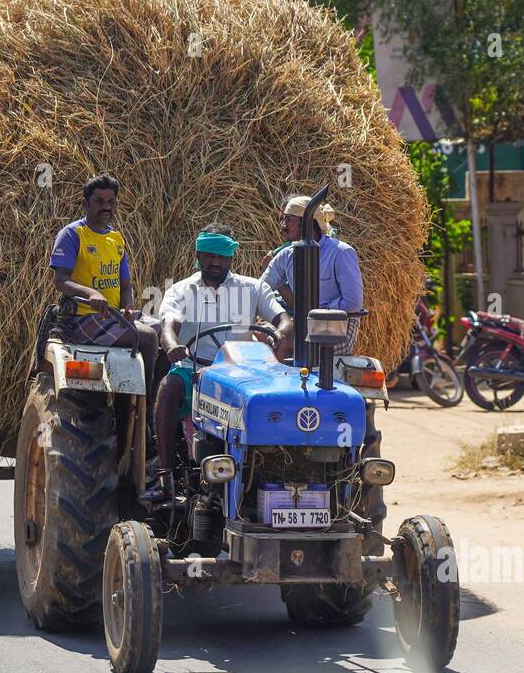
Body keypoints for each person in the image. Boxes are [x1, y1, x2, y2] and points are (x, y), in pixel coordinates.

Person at [141, 223, 293, 502]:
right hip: (194, 369)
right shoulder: (181, 290)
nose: (215, 262)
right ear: (198, 255)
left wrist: (282, 331)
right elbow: (167, 326)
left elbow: (281, 318)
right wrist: (173, 345)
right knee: (169, 386)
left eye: (222, 257)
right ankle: (165, 476)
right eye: (209, 256)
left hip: (242, 373)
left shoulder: (253, 288)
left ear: (231, 258)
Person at [49, 173, 158, 388]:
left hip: (114, 317)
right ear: (86, 203)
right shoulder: (72, 234)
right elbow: (60, 280)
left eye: (111, 202)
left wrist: (127, 304)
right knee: (147, 337)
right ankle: (150, 402)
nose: (105, 207)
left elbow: (125, 284)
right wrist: (91, 294)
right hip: (84, 318)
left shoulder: (116, 239)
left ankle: (139, 406)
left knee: (163, 330)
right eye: (99, 201)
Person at [261, 194, 363, 354]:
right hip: (303, 324)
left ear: (307, 223)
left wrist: (316, 312)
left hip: (337, 328)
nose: (282, 226)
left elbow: (353, 303)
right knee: (261, 335)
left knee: (283, 341)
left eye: (288, 220)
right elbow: (261, 290)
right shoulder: (285, 255)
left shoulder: (341, 252)